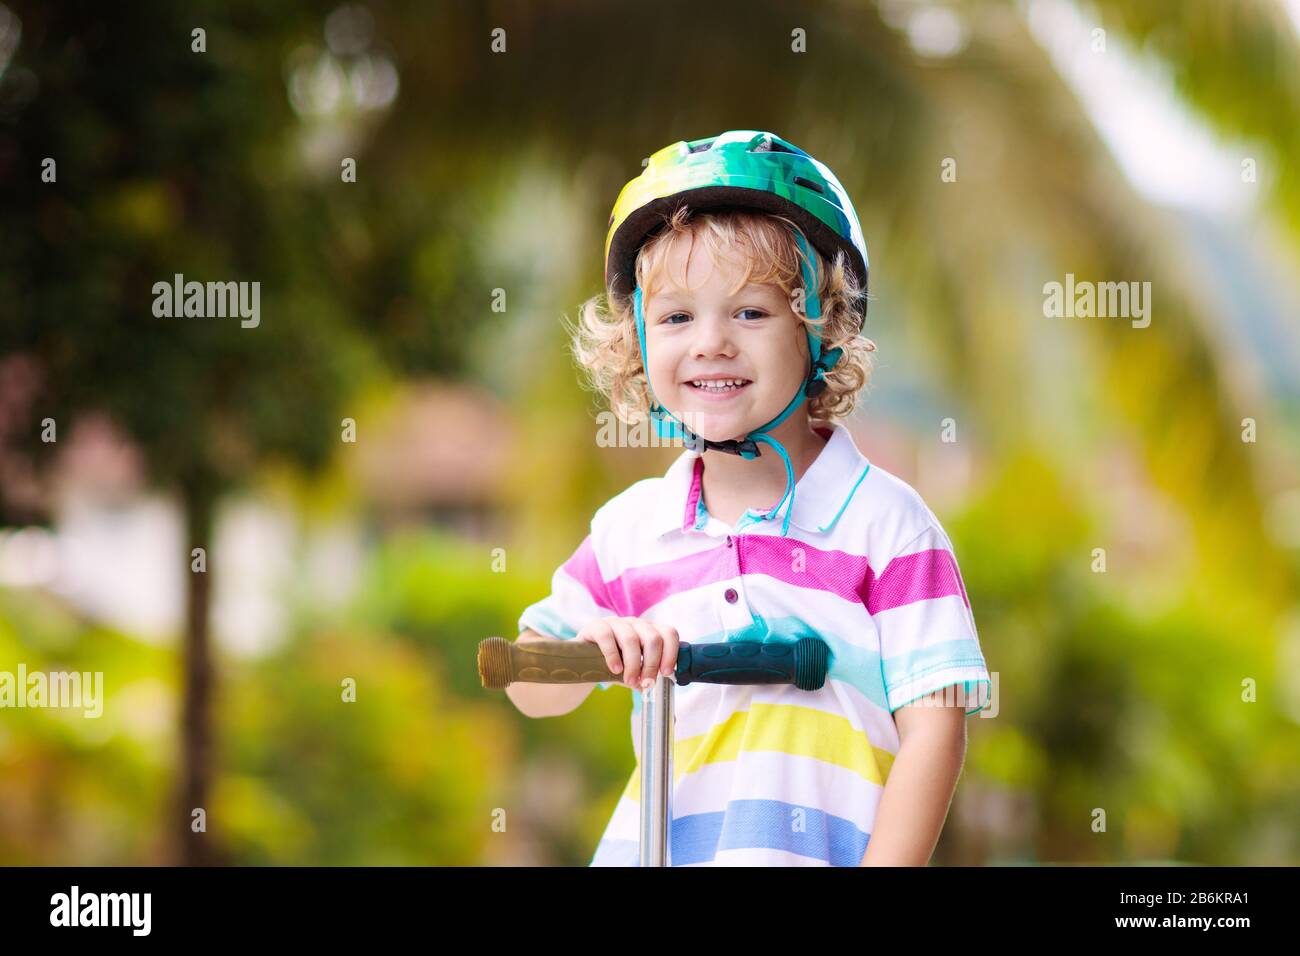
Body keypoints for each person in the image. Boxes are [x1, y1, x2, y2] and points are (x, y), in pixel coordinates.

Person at [508, 130, 992, 866]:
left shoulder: (890, 529)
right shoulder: (632, 531)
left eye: (751, 313)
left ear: (821, 330)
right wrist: (593, 649)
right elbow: (530, 681)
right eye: (676, 317)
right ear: (638, 340)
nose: (710, 343)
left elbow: (936, 729)